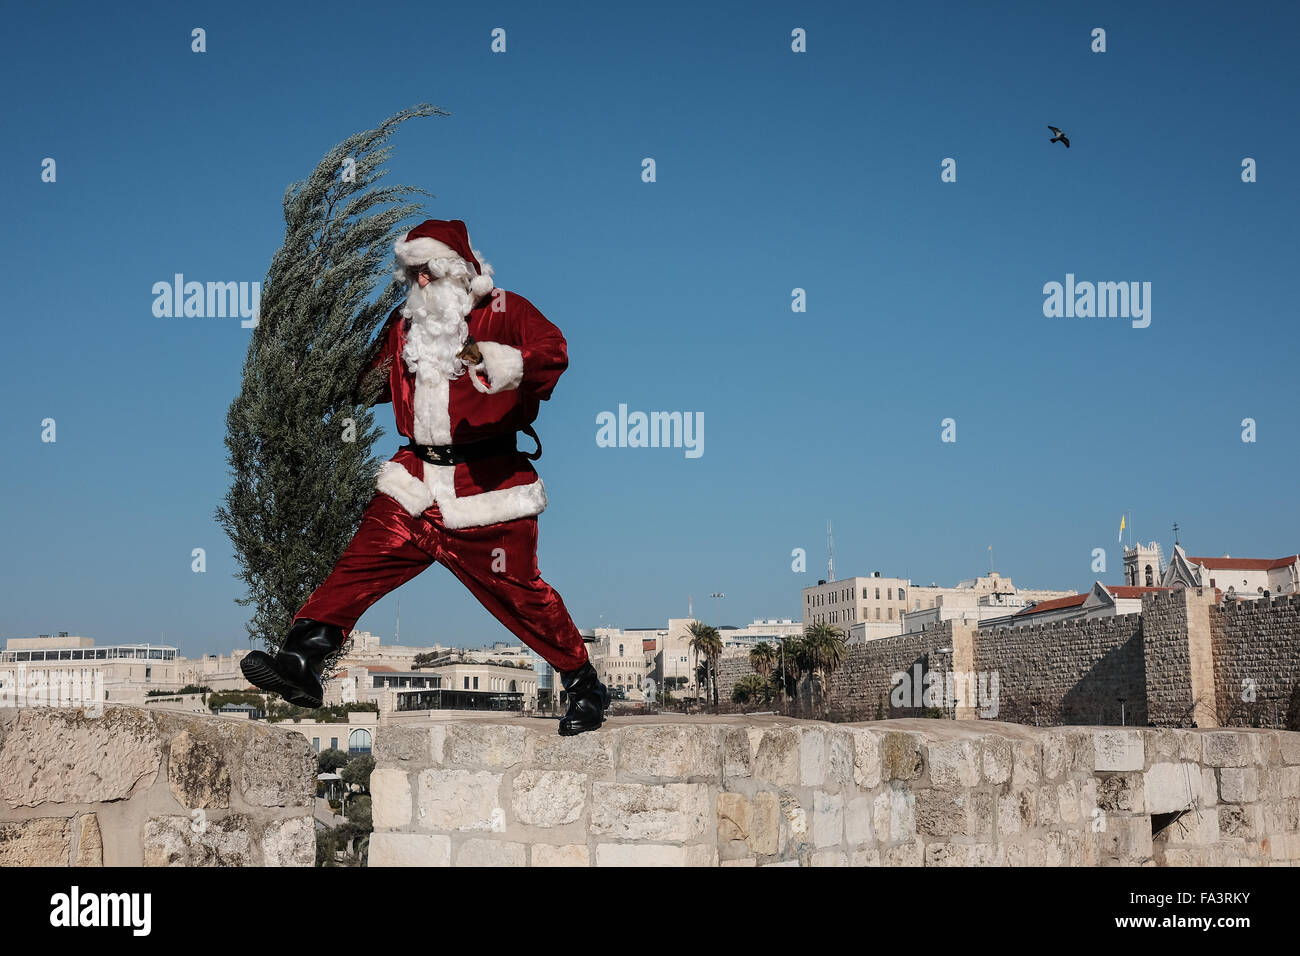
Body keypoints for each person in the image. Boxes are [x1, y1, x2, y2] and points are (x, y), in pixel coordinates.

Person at [240, 219, 608, 736]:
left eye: (428, 271)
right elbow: (367, 382)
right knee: (357, 566)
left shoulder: (504, 310)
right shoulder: (404, 326)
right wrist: (307, 376)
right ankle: (303, 661)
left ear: (455, 270)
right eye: (412, 273)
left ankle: (584, 684)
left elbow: (553, 353)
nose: (421, 283)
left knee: (519, 593)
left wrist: (492, 359)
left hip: (488, 485)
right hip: (415, 480)